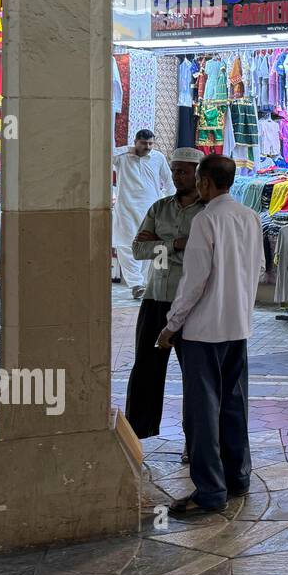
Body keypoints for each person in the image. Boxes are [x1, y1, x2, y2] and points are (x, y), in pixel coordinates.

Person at [157, 155, 264, 515]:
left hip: (204, 332)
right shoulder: (250, 218)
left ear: (204, 182)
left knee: (202, 414)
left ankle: (210, 491)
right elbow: (260, 268)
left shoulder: (206, 221)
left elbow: (194, 282)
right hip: (238, 328)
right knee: (234, 406)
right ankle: (238, 477)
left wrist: (171, 325)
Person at [125, 148, 205, 450]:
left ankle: (194, 440)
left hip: (192, 302)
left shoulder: (207, 213)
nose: (176, 177)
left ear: (198, 175)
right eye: (174, 171)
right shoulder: (160, 209)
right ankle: (136, 436)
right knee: (146, 367)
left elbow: (203, 253)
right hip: (156, 297)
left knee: (195, 373)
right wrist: (176, 245)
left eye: (183, 171)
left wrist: (160, 245)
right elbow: (138, 250)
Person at [113, 130, 174, 299]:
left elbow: (169, 181)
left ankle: (145, 283)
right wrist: (127, 149)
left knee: (149, 245)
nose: (147, 147)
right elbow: (105, 155)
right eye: (143, 143)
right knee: (125, 246)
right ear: (135, 142)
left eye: (150, 144)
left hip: (151, 210)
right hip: (126, 209)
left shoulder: (158, 158)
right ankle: (135, 284)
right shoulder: (123, 157)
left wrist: (171, 203)